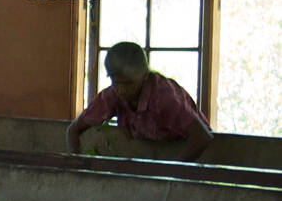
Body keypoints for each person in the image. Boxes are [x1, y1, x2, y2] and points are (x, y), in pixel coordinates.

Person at [66, 41, 213, 161]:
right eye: (115, 82)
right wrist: (78, 162)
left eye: (128, 84)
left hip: (187, 153)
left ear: (143, 77)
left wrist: (174, 172)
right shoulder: (113, 95)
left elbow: (202, 136)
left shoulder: (165, 97)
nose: (121, 89)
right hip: (146, 153)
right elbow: (73, 129)